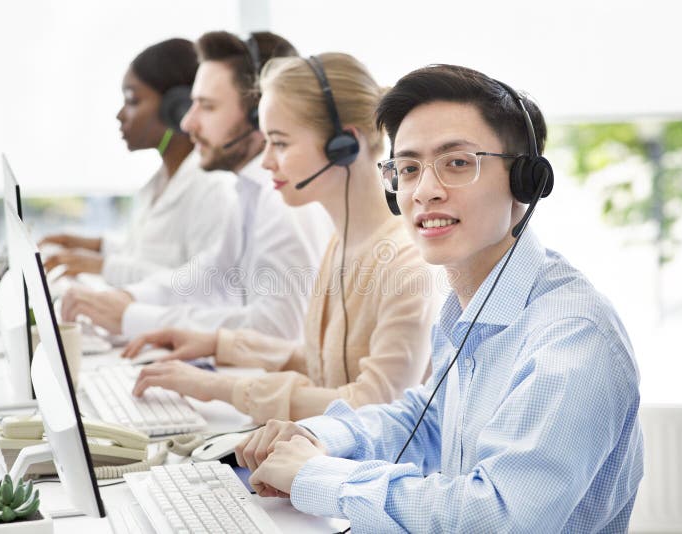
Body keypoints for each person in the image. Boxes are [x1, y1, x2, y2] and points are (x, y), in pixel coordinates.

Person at [236, 64, 644, 532]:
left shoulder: (572, 339)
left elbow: (495, 515)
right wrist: (320, 436)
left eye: (457, 163)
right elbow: (427, 420)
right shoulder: (468, 305)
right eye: (408, 169)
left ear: (524, 182)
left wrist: (319, 475)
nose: (425, 191)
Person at [122, 53, 437, 424]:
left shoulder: (406, 265)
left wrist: (221, 389)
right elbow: (327, 363)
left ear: (343, 146)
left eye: (281, 143)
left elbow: (374, 404)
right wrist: (218, 344)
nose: (267, 161)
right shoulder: (344, 242)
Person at [60, 31, 331, 341]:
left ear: (260, 115)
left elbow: (279, 329)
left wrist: (134, 318)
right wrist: (129, 299)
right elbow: (209, 276)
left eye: (207, 106)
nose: (187, 123)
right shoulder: (249, 190)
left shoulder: (284, 200)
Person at [40, 38, 236, 287]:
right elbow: (146, 253)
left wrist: (102, 266)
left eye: (132, 101)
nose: (120, 115)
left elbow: (204, 287)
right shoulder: (160, 180)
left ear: (177, 107)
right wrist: (91, 245)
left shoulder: (212, 189)